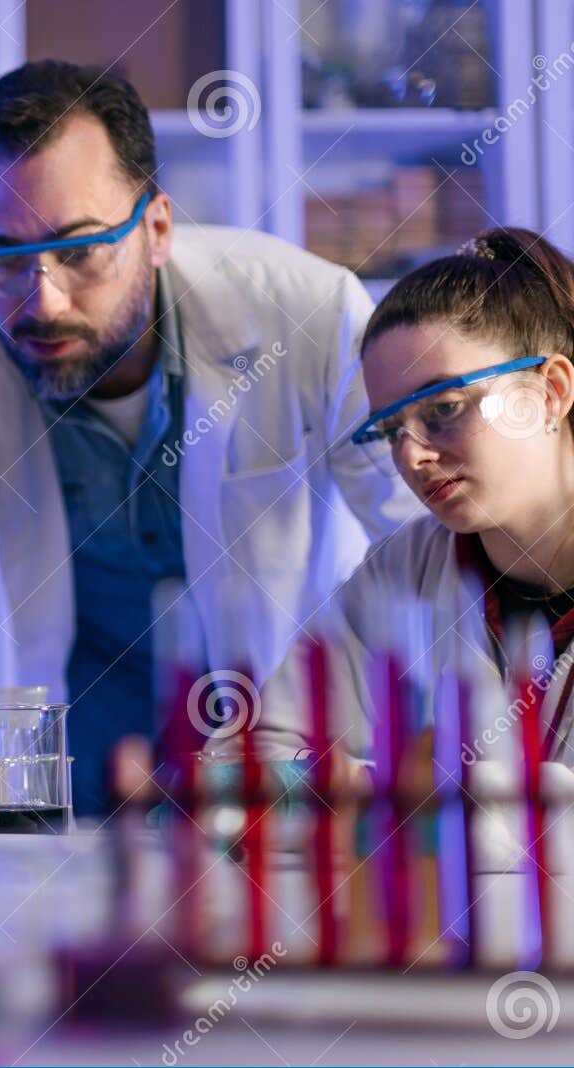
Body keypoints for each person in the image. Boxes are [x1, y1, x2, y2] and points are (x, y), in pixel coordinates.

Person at [0, 61, 421, 814]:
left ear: (156, 228)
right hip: (84, 780)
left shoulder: (309, 316)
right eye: (1, 260)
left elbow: (423, 552)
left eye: (78, 251)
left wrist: (404, 756)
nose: (40, 300)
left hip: (277, 773)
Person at [243, 227, 574, 773]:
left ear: (550, 392)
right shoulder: (402, 570)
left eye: (443, 409)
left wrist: (403, 794)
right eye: (391, 429)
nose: (410, 457)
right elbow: (259, 758)